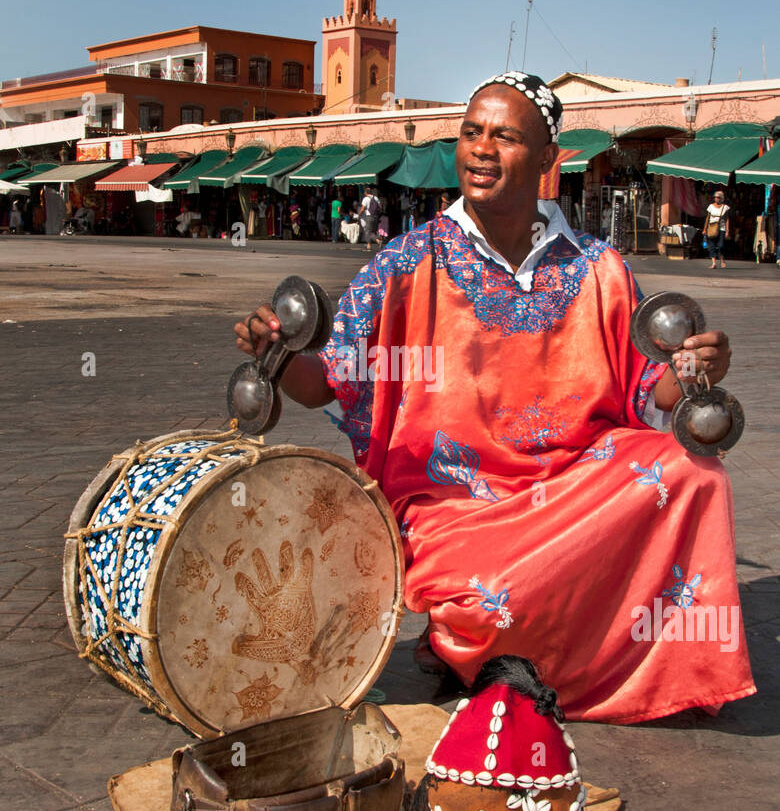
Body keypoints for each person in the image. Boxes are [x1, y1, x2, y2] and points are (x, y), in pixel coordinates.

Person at [234, 70, 754, 726]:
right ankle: (477, 644)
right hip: (456, 498)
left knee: (694, 474)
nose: (481, 149)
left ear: (544, 160)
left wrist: (696, 366)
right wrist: (277, 354)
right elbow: (324, 383)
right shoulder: (406, 263)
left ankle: (612, 662)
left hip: (576, 484)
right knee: (491, 598)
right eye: (472, 133)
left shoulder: (600, 268)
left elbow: (654, 393)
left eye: (504, 137)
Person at [703, 189, 731, 270]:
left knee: (721, 245)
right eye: (715, 197)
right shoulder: (711, 206)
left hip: (721, 228)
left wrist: (727, 230)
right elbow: (707, 218)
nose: (716, 199)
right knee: (711, 245)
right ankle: (714, 263)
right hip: (711, 227)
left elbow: (727, 219)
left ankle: (722, 259)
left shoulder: (725, 207)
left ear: (721, 198)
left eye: (718, 197)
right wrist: (705, 229)